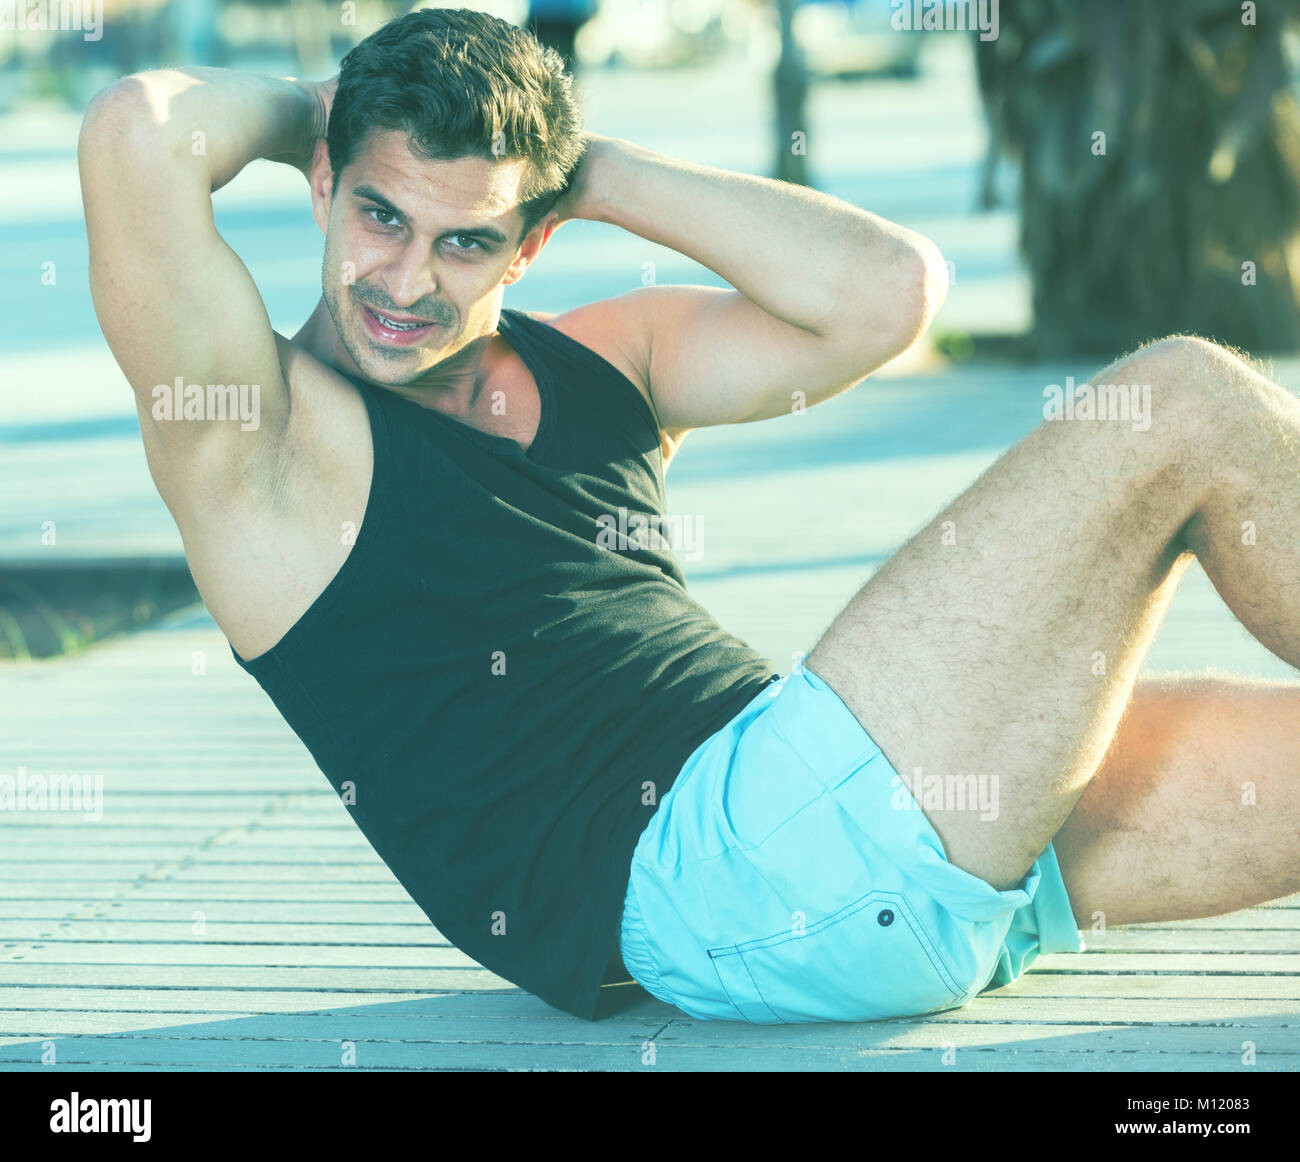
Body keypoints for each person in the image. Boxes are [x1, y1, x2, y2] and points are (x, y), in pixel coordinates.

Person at [78, 8, 1300, 1023]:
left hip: (848, 834)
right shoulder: (262, 444)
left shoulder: (604, 360)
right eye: (380, 215)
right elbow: (137, 131)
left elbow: (885, 294)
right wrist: (322, 106)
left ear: (531, 242)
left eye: (467, 239)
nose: (404, 282)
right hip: (723, 876)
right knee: (1182, 400)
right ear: (327, 190)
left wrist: (585, 162)